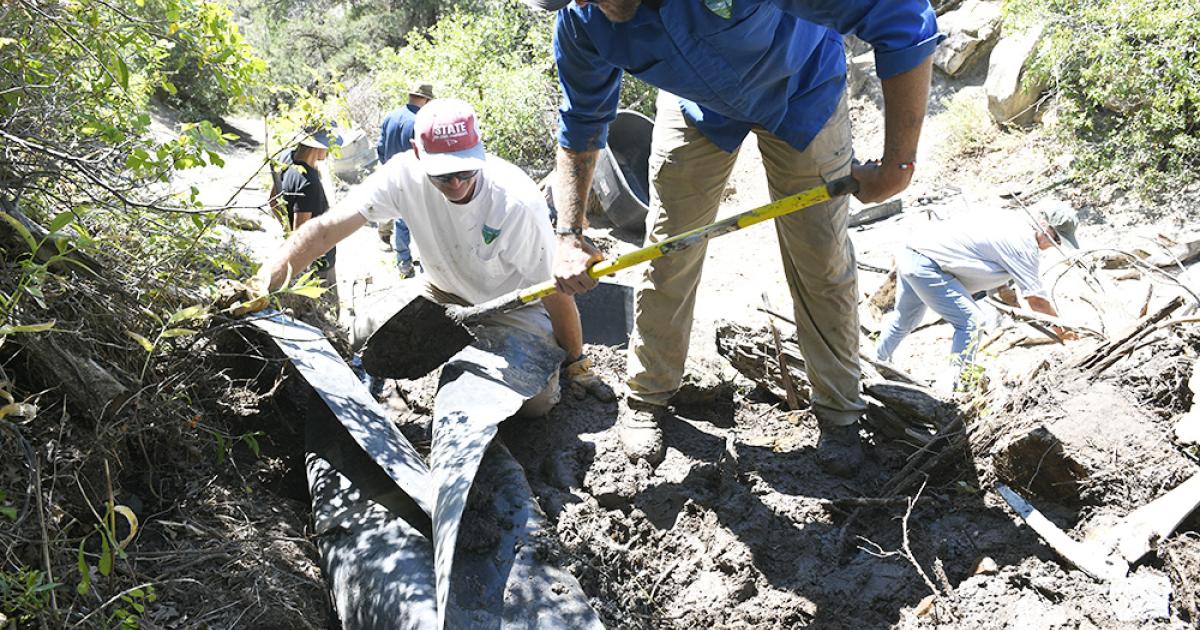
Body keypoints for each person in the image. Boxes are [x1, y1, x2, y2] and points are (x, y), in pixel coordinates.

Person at [523, 0, 942, 475]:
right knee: (668, 251)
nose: (590, 5)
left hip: (803, 88)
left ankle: (839, 412)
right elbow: (581, 120)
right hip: (697, 110)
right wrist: (569, 233)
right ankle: (647, 397)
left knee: (820, 256)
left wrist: (897, 166)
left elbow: (902, 16)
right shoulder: (582, 21)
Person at [252, 99, 610, 415]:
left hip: (514, 307)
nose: (455, 183)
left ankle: (495, 362)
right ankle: (391, 385)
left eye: (464, 170)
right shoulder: (400, 175)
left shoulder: (514, 202)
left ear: (480, 152)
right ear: (417, 153)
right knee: (363, 330)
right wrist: (262, 282)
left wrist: (575, 362)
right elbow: (326, 229)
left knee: (536, 404)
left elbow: (553, 292)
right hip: (440, 290)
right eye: (442, 174)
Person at [873, 205, 1081, 387]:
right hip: (929, 266)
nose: (1052, 246)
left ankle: (876, 364)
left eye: (1058, 243)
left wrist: (1012, 302)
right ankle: (955, 386)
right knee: (971, 323)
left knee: (905, 319)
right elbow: (1037, 301)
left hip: (912, 254)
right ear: (1044, 224)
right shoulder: (1025, 245)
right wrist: (1063, 331)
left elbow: (999, 271)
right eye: (1054, 239)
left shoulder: (1011, 220)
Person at [376, 82, 436, 279]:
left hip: (392, 175)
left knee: (400, 217)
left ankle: (403, 264)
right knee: (419, 221)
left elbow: (381, 148)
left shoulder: (390, 117)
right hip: (415, 177)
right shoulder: (421, 121)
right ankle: (423, 265)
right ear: (426, 100)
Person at [277, 130, 338, 304]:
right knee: (328, 308)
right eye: (328, 146)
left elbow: (272, 200)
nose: (329, 151)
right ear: (317, 147)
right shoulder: (308, 182)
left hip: (307, 255)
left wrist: (285, 228)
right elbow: (301, 232)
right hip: (318, 260)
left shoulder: (285, 158)